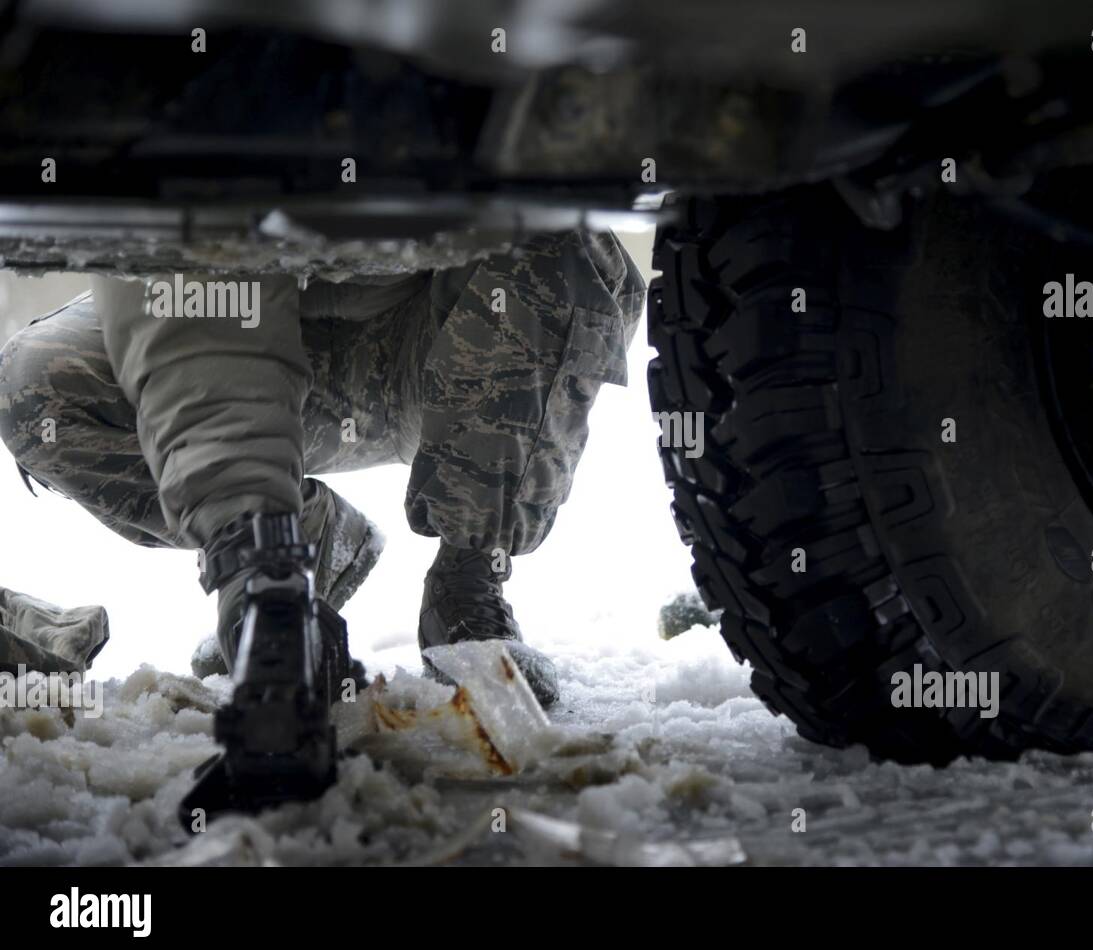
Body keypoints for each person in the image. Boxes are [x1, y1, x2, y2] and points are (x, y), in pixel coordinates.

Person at [0, 229, 644, 708]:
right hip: (229, 306)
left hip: (430, 335)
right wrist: (255, 559)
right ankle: (301, 542)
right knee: (36, 388)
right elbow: (187, 310)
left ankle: (469, 580)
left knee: (556, 249)